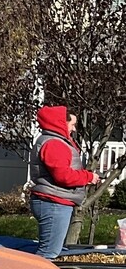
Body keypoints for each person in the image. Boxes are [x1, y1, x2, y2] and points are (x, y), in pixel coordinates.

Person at [28, 105, 99, 260]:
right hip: (54, 203)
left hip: (54, 200)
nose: (73, 129)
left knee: (48, 248)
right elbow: (63, 176)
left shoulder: (54, 141)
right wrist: (88, 177)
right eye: (72, 124)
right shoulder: (55, 144)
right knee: (48, 253)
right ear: (61, 123)